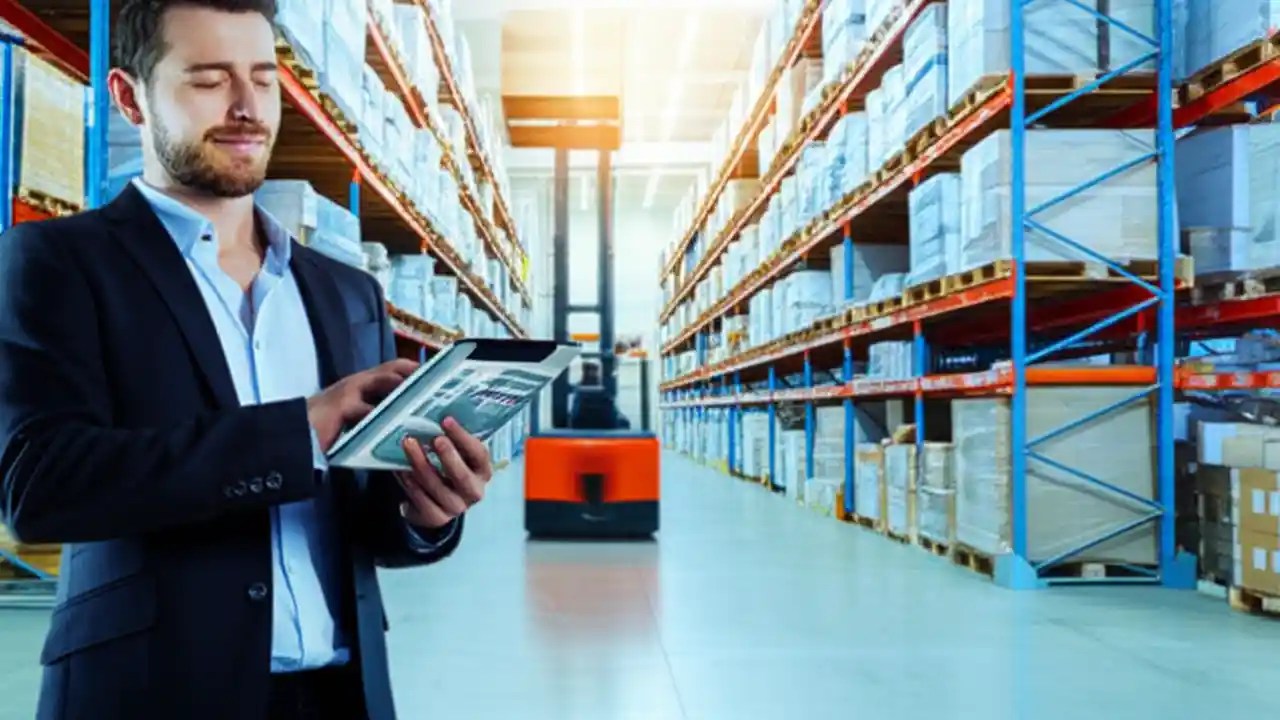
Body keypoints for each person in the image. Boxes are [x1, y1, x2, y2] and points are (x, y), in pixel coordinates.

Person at [0, 2, 493, 718]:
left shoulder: (347, 292)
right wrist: (299, 431)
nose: (245, 108)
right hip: (150, 692)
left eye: (263, 80)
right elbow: (38, 487)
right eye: (208, 80)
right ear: (129, 97)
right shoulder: (57, 263)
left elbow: (364, 523)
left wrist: (427, 512)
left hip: (340, 694)